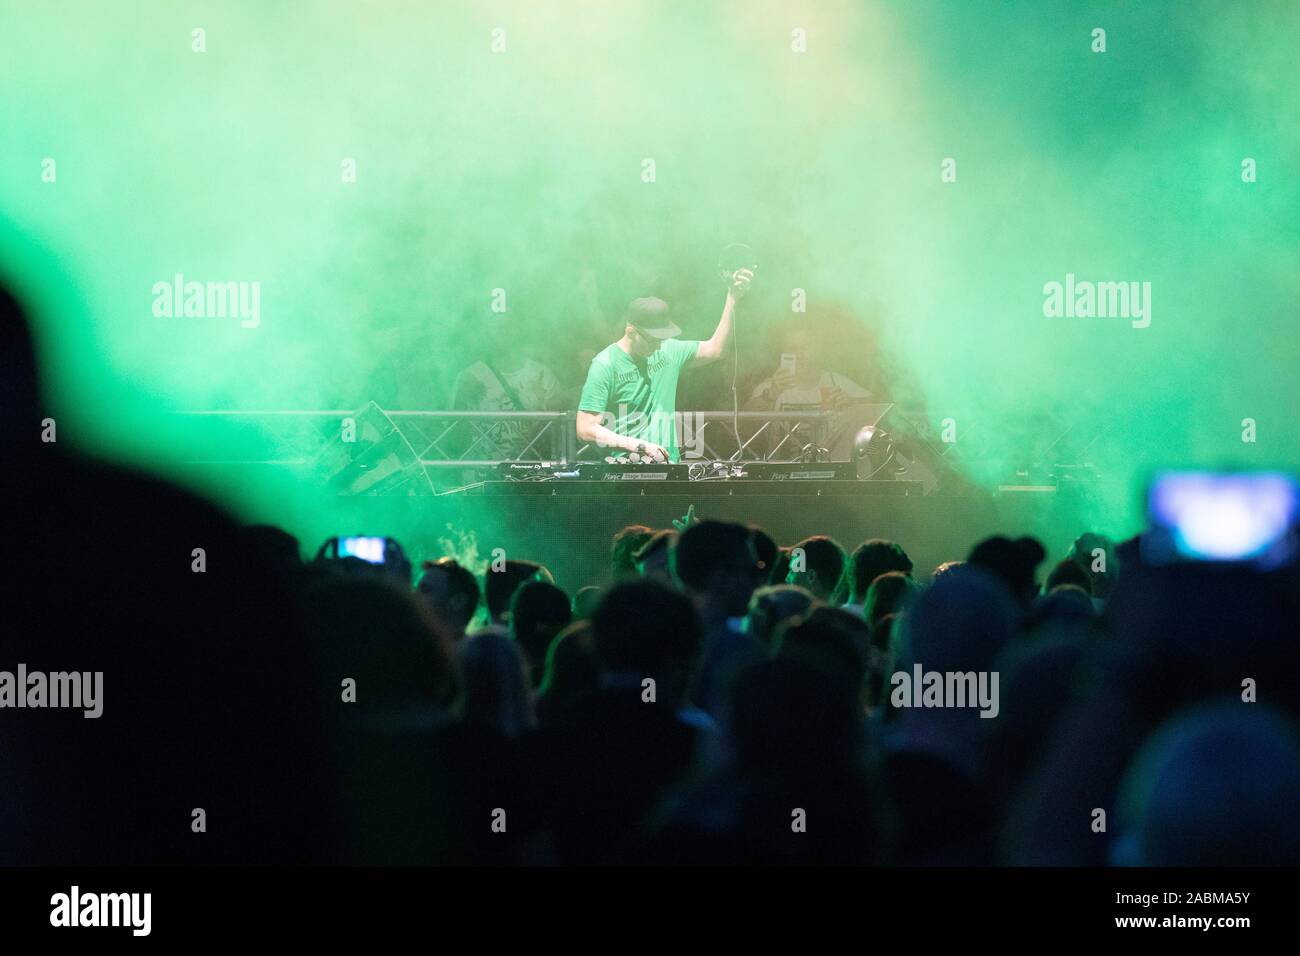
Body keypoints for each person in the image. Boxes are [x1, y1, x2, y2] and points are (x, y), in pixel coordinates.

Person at [575, 269, 752, 464]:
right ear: (631, 331)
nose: (659, 345)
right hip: (626, 471)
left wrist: (732, 298)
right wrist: (638, 445)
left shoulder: (669, 350)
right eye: (653, 340)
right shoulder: (605, 364)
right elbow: (585, 428)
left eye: (663, 338)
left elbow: (716, 349)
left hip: (669, 466)